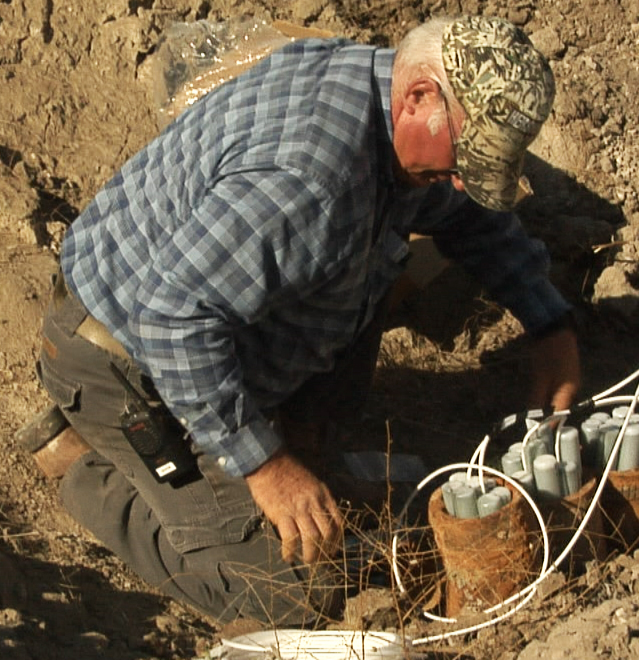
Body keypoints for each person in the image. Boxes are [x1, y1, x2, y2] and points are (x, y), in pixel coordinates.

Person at [31, 15, 581, 627]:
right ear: (419, 94)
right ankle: (85, 466)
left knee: (371, 264)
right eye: (460, 162)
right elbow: (171, 318)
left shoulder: (389, 107)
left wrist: (548, 326)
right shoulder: (312, 176)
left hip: (210, 318)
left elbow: (471, 216)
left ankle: (285, 442)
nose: (457, 181)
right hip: (128, 361)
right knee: (289, 593)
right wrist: (265, 467)